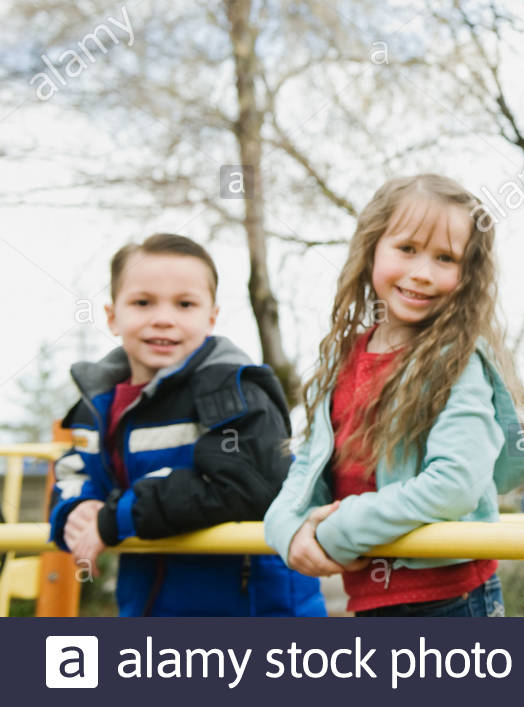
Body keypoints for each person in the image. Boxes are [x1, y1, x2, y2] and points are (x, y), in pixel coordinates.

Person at [264, 174, 524, 617]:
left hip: (451, 600)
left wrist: (335, 530)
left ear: (467, 275)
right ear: (372, 246)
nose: (422, 273)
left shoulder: (457, 360)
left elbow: (454, 485)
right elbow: (308, 467)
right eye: (407, 249)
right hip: (371, 598)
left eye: (445, 258)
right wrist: (288, 530)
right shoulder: (344, 359)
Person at [49, 233, 324, 616]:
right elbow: (72, 471)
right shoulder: (95, 406)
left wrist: (115, 517)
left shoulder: (233, 388)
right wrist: (76, 510)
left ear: (211, 317)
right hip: (149, 607)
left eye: (185, 304)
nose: (164, 318)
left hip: (255, 610)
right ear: (113, 316)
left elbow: (250, 484)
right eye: (143, 302)